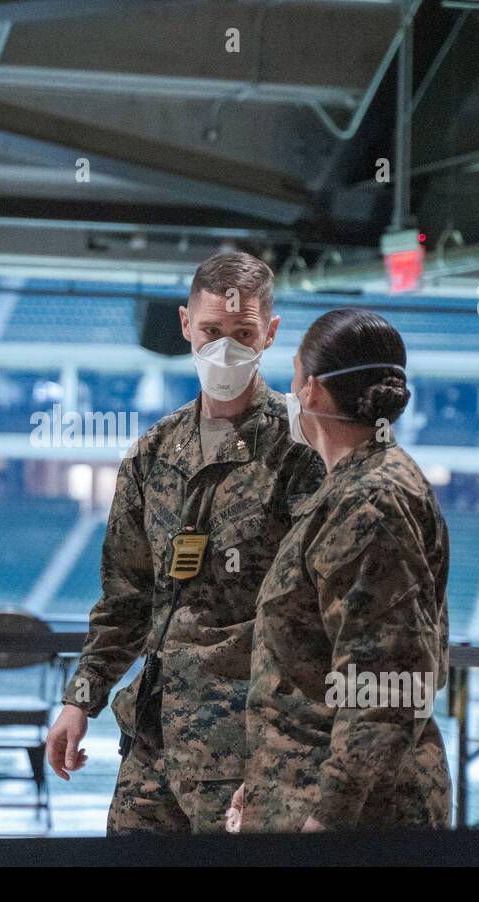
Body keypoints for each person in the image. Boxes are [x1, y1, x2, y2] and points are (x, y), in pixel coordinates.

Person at [46, 252, 324, 834]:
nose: (227, 348)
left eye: (244, 334)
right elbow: (126, 598)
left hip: (246, 750)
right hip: (151, 741)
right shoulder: (152, 453)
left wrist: (289, 761)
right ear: (184, 326)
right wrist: (81, 699)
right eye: (212, 332)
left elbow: (316, 619)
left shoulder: (302, 454)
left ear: (271, 333)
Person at [235, 308, 451, 832]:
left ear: (310, 391)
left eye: (292, 377)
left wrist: (327, 819)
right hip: (301, 789)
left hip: (351, 814)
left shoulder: (369, 500)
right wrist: (263, 777)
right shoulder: (360, 484)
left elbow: (385, 681)